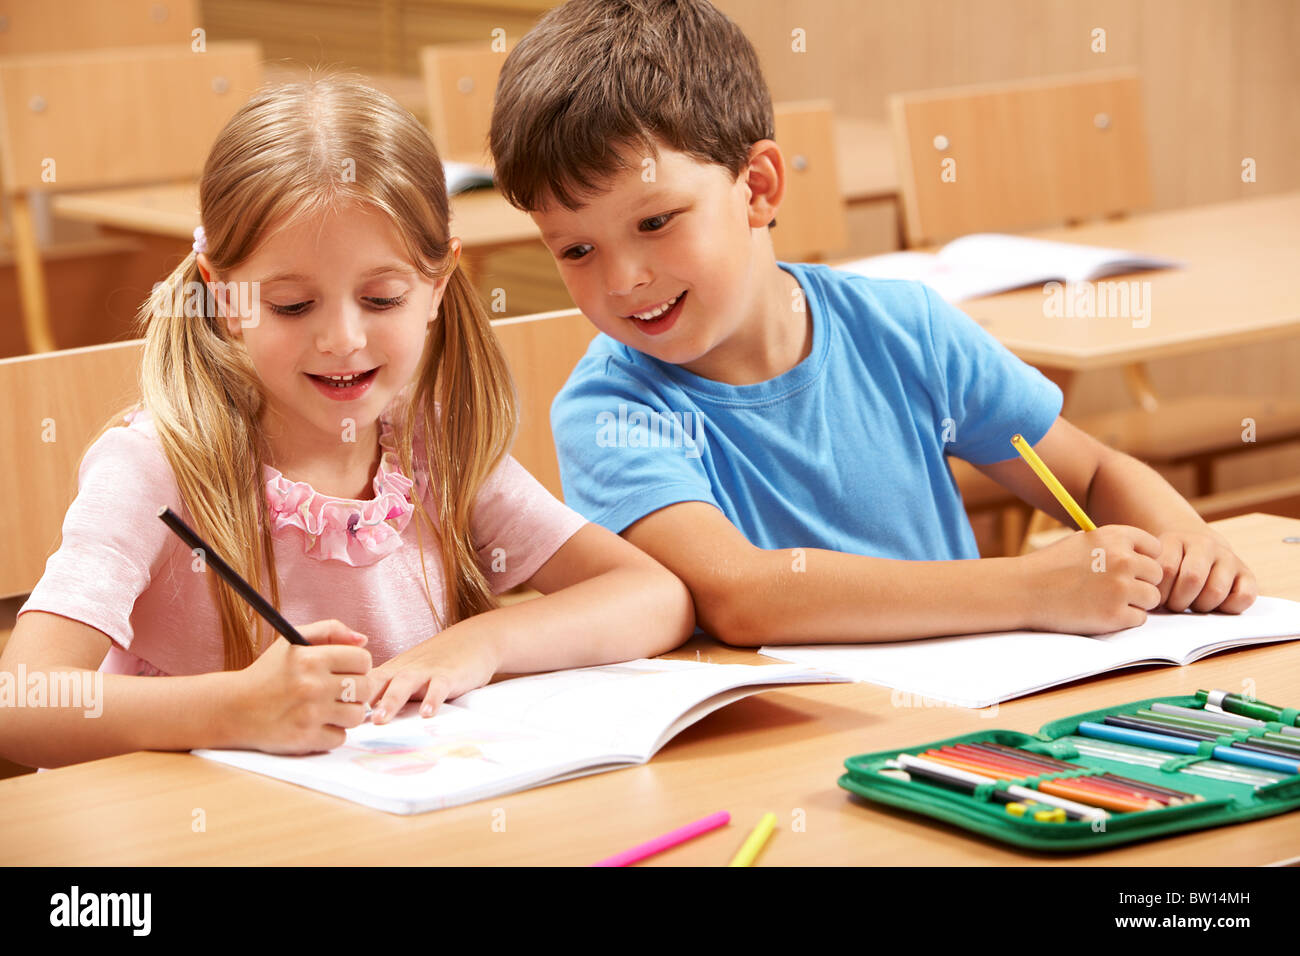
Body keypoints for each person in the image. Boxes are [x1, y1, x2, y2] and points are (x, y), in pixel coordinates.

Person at [486, 0, 1257, 647]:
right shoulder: (611, 410)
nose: (623, 279)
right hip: (792, 755)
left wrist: (1192, 546)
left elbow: (1091, 474)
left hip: (969, 711)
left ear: (757, 187)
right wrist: (1031, 586)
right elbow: (740, 593)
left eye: (656, 221)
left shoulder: (904, 329)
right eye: (577, 248)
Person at [0, 76, 692, 770]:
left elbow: (653, 596)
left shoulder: (434, 445)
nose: (342, 339)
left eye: (382, 297)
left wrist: (479, 644)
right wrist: (233, 708)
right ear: (222, 295)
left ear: (437, 287)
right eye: (292, 306)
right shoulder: (155, 466)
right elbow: (20, 701)